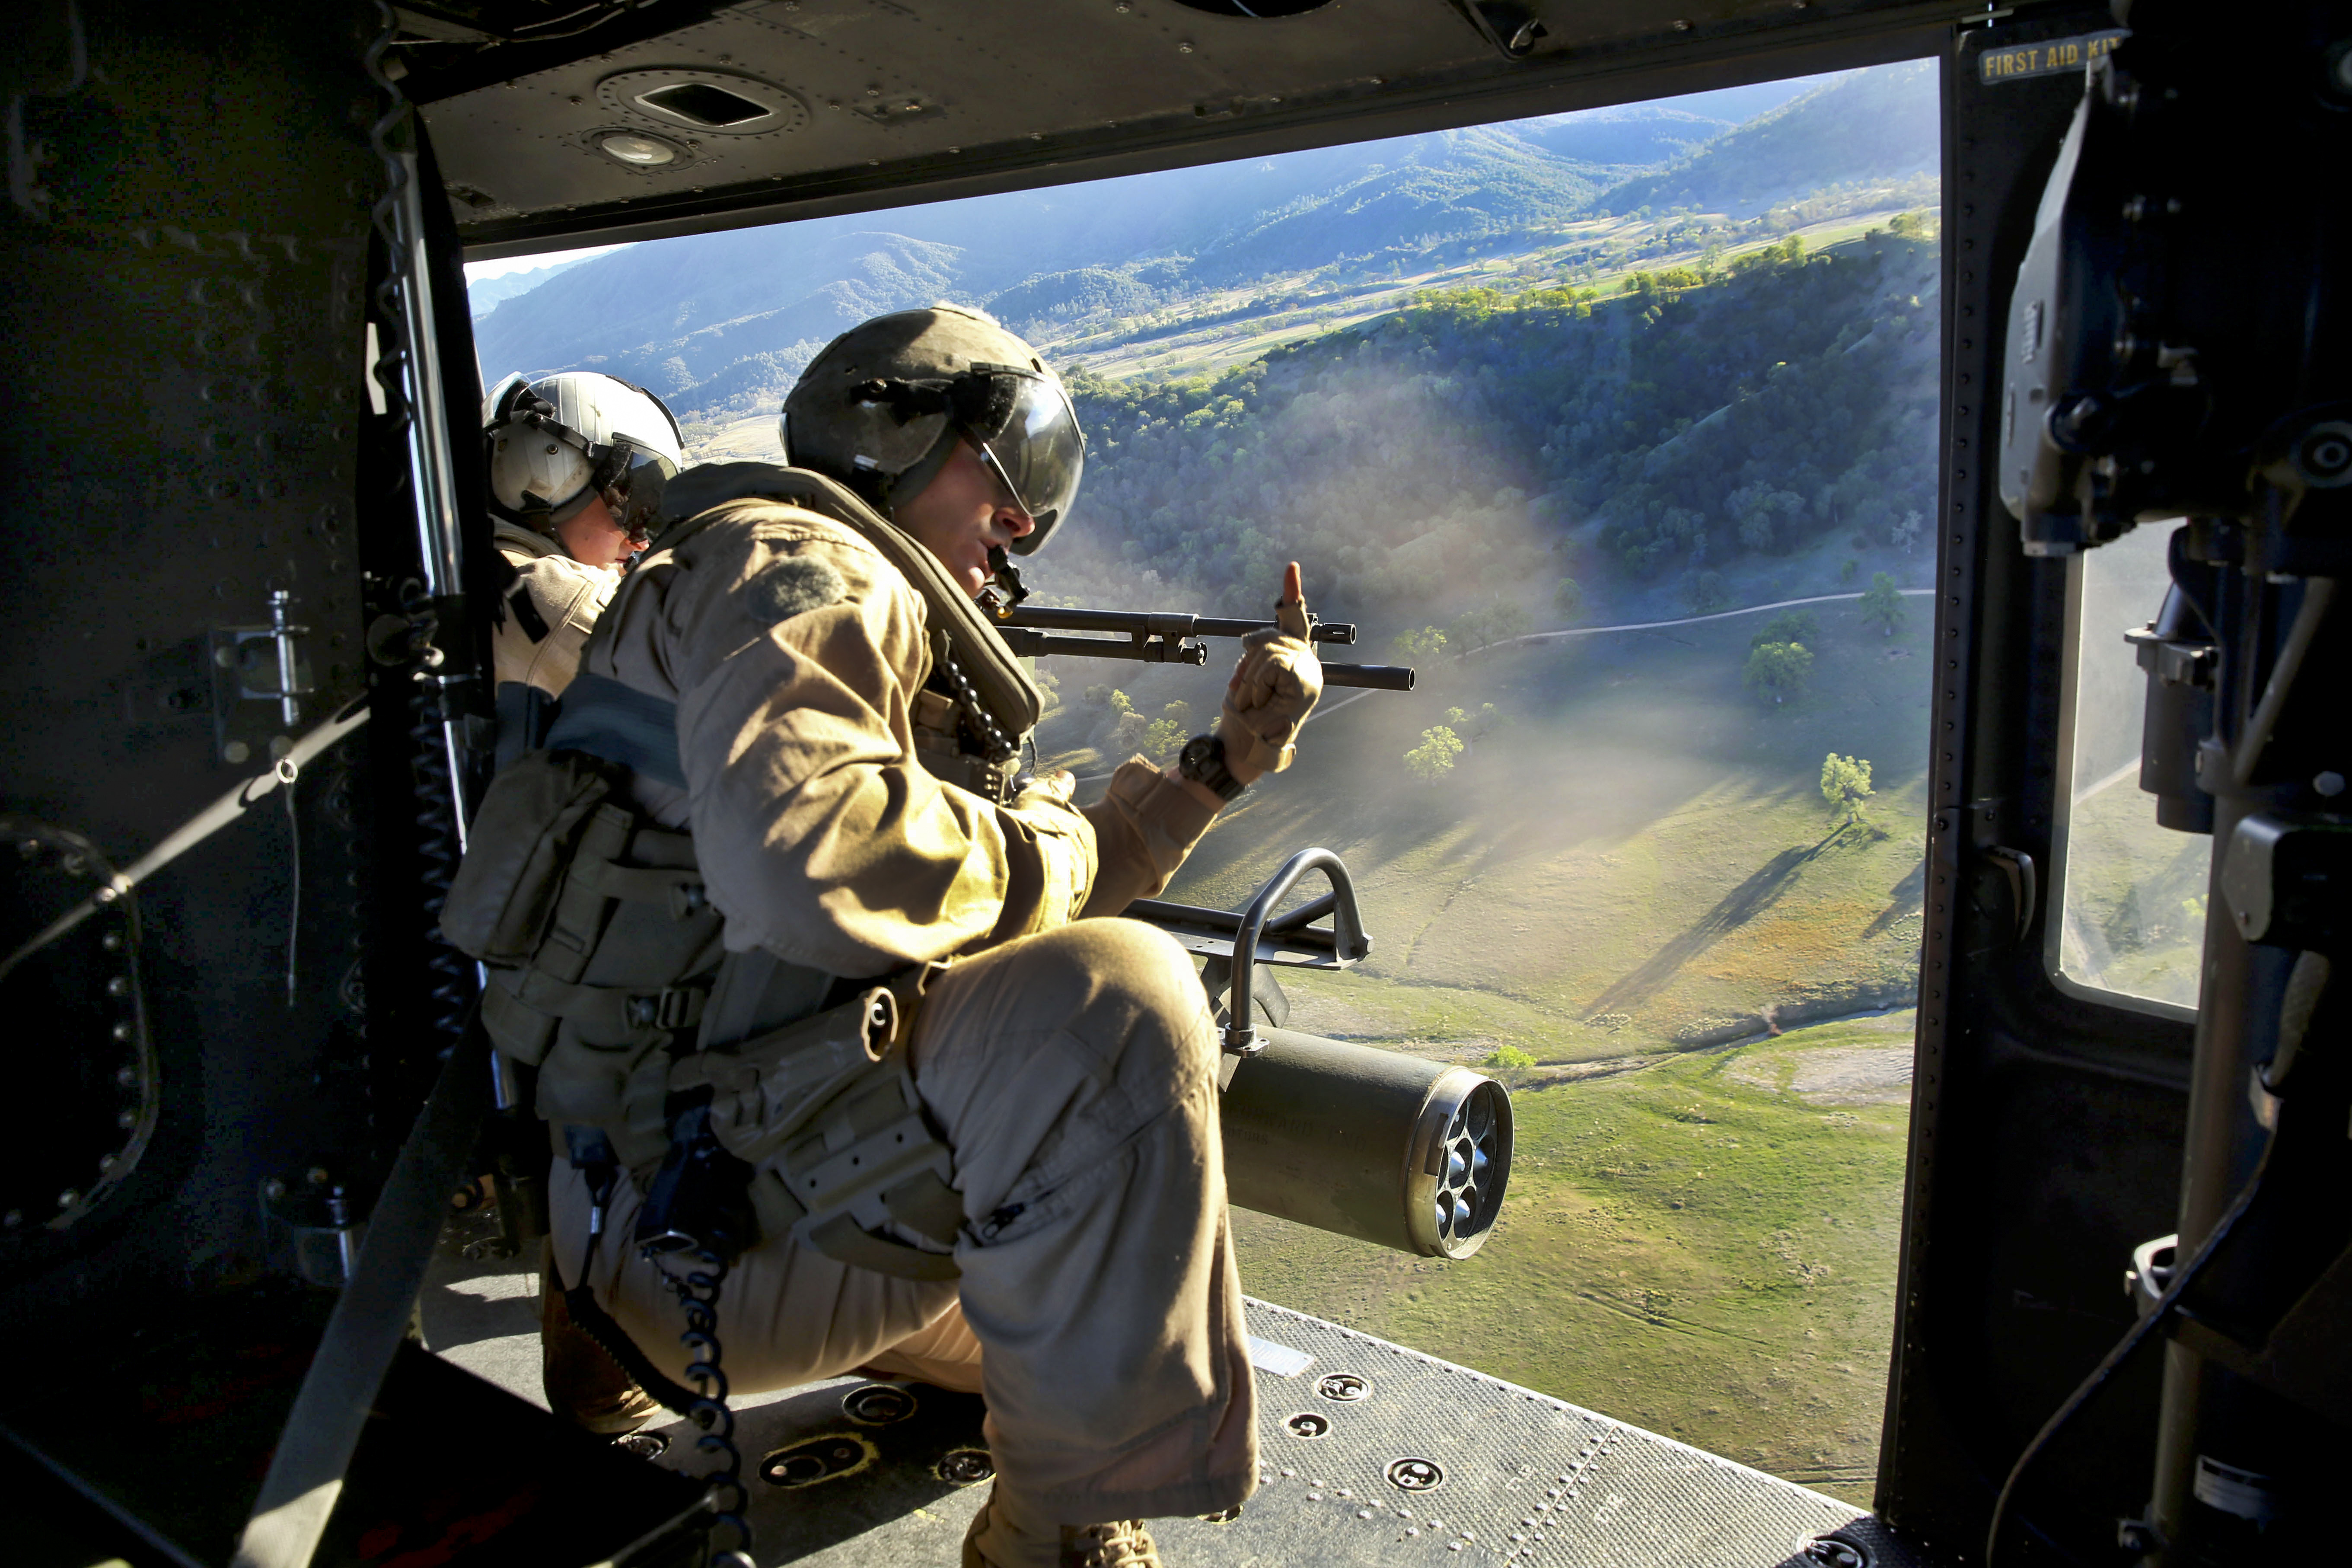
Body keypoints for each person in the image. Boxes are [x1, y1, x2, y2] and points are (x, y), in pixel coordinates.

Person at [441, 304, 1322, 1568]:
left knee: (1047, 1318)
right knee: (1127, 1002)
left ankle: (610, 1373)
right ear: (896, 433)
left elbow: (959, 913)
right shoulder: (796, 564)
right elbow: (826, 861)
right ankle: (1057, 1544)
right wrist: (1047, 846)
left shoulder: (733, 603)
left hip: (634, 1240)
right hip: (727, 1249)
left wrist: (1221, 768)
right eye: (1007, 464)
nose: (1024, 522)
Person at [481, 372, 685, 766]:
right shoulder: (554, 598)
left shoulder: (494, 567)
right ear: (547, 474)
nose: (642, 541)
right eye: (630, 509)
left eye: (652, 512)